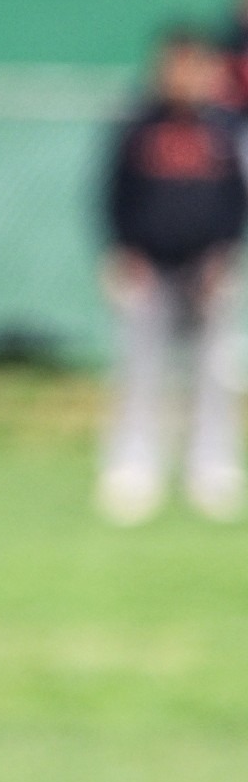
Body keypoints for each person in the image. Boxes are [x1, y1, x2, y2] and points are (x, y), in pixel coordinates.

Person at [99, 26, 248, 525]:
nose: (184, 76)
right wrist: (121, 251)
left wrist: (224, 255)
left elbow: (235, 201)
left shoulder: (222, 129)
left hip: (207, 269)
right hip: (149, 266)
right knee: (140, 370)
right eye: (176, 65)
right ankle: (134, 470)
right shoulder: (138, 126)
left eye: (193, 65)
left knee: (212, 373)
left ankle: (212, 470)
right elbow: (113, 194)